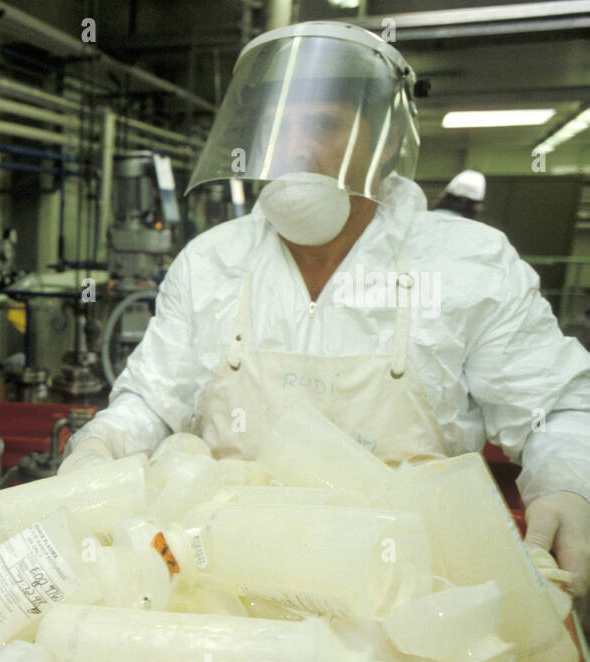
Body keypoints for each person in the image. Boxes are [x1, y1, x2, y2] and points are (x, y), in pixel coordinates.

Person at [60, 22, 590, 598]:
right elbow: (153, 401)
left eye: (321, 124)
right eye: (275, 126)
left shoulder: (468, 263)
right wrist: (103, 444)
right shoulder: (213, 261)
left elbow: (556, 407)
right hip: (222, 586)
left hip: (405, 591)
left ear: (386, 138)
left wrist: (567, 484)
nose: (294, 148)